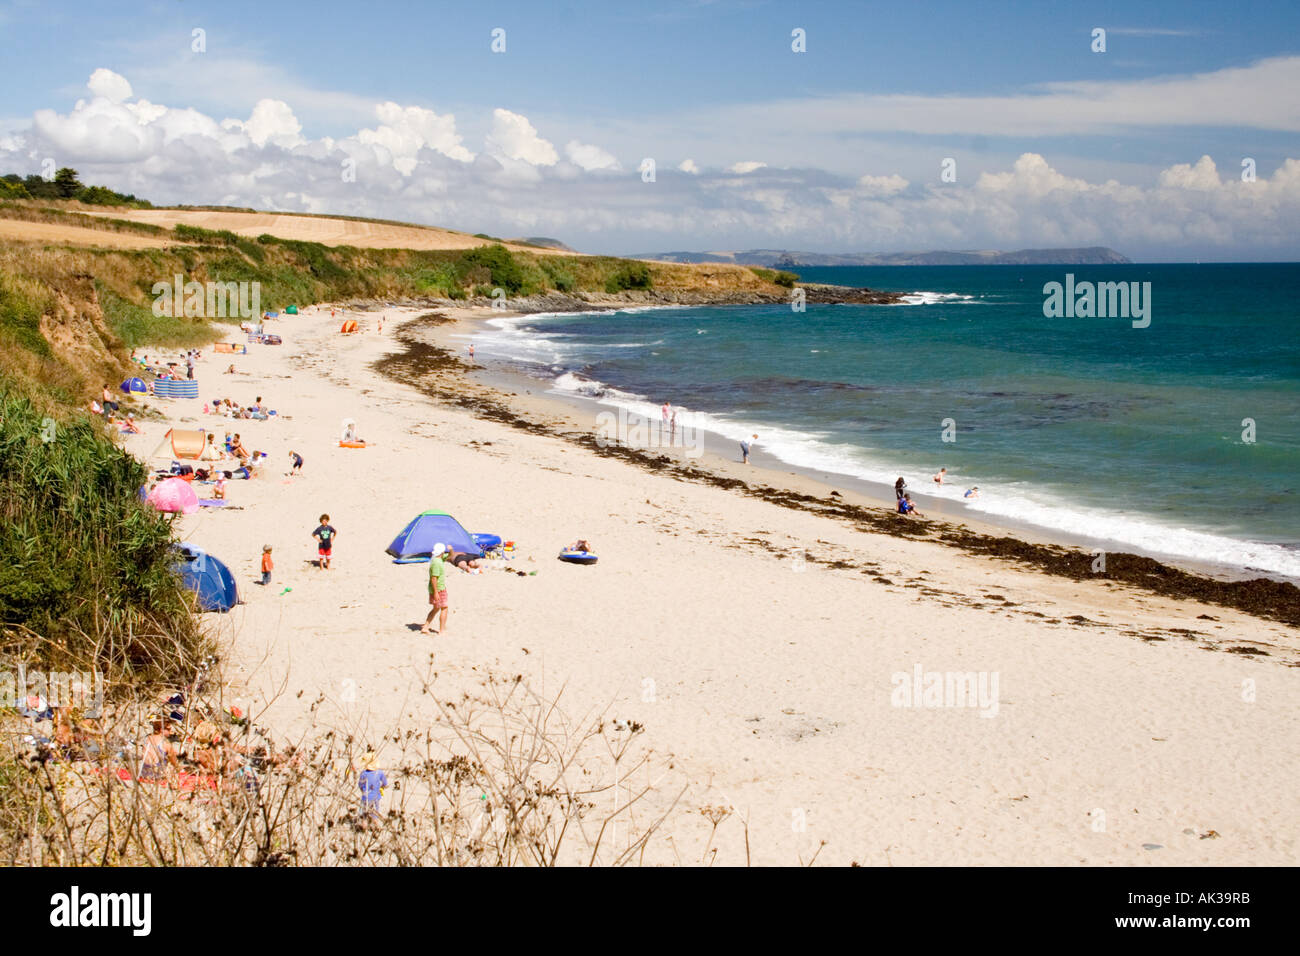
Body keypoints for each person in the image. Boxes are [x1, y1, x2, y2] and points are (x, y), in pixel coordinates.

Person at [421, 544, 449, 635]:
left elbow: (450, 555)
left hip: (437, 589)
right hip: (439, 589)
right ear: (442, 552)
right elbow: (434, 578)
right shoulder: (437, 563)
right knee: (444, 608)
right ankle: (442, 630)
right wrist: (436, 592)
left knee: (436, 608)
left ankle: (425, 626)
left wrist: (451, 550)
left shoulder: (437, 559)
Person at [357, 752, 387, 820]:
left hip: (366, 796)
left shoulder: (363, 774)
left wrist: (363, 791)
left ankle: (364, 825)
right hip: (376, 796)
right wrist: (381, 788)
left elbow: (360, 785)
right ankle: (375, 824)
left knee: (364, 813)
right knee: (375, 812)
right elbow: (385, 783)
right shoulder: (380, 773)